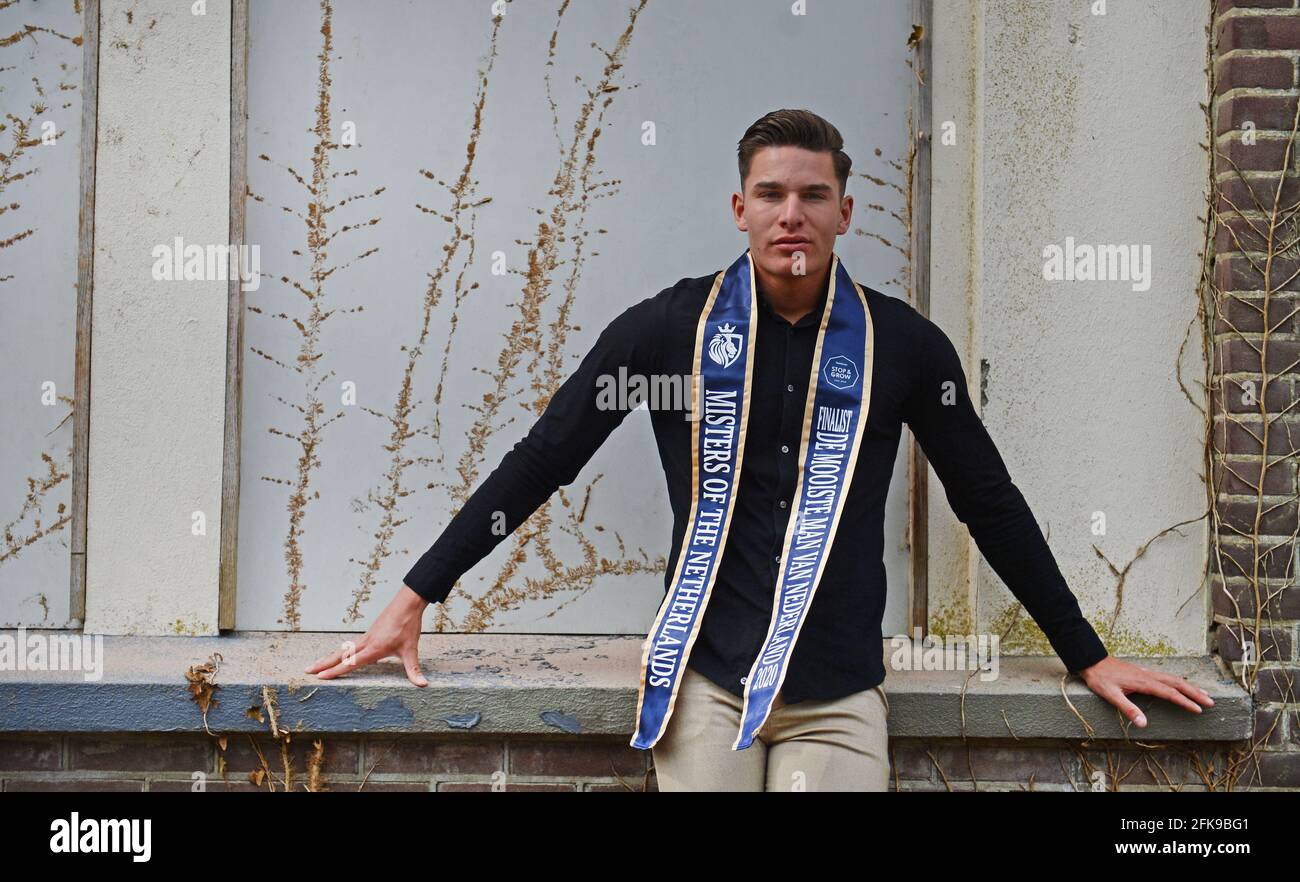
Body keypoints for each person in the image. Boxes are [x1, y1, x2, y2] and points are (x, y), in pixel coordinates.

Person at [306, 109, 1215, 791]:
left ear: (846, 212)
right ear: (739, 207)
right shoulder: (665, 330)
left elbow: (989, 501)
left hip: (837, 696)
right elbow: (546, 457)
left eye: (814, 195)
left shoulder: (902, 346)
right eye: (773, 195)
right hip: (707, 685)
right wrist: (418, 592)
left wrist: (1085, 652)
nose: (793, 215)